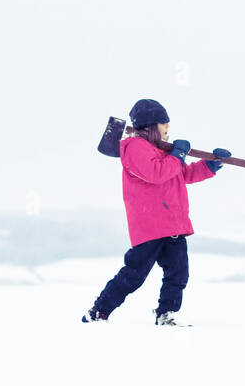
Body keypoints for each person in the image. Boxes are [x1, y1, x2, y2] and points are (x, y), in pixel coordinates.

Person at [82, 98, 232, 326]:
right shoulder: (135, 148)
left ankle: (166, 314)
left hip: (174, 224)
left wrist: (209, 165)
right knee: (134, 275)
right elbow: (156, 173)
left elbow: (183, 174)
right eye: (165, 124)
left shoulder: (163, 151)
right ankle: (98, 312)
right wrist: (177, 155)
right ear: (151, 125)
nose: (168, 129)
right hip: (150, 226)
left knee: (178, 274)